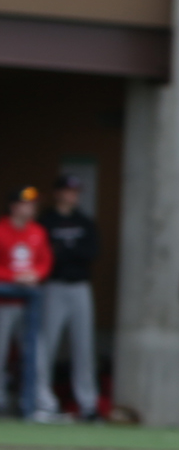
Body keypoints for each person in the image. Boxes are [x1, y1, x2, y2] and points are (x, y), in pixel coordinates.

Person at [34, 174, 100, 421]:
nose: (72, 195)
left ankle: (88, 404)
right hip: (53, 286)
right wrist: (68, 253)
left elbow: (91, 252)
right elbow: (46, 255)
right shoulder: (46, 221)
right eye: (68, 191)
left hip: (80, 286)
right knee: (46, 345)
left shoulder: (84, 221)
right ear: (58, 192)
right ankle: (42, 401)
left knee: (84, 347)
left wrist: (65, 252)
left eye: (76, 191)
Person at [0, 186, 53, 417]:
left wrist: (36, 275)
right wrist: (14, 278)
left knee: (36, 355)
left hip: (29, 306)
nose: (30, 207)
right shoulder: (2, 229)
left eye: (33, 204)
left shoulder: (38, 231)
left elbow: (45, 261)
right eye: (25, 203)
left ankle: (40, 404)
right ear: (14, 206)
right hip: (4, 303)